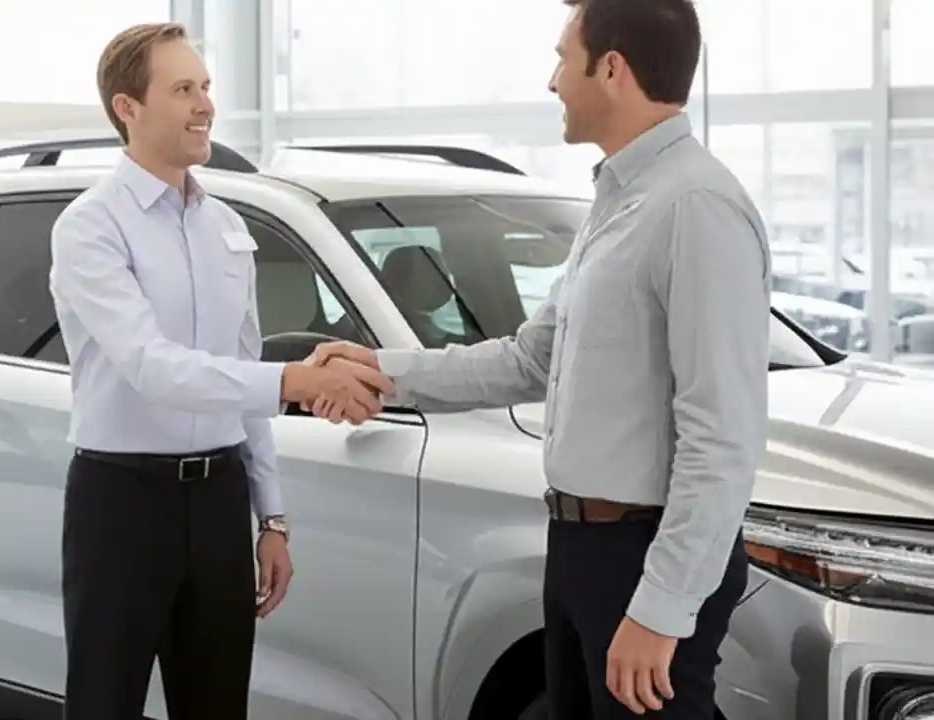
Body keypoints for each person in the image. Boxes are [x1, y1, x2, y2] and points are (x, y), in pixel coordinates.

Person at [305, 0, 770, 717]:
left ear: (610, 68)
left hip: (641, 556)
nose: (553, 81)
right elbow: (529, 358)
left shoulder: (695, 205)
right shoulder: (621, 201)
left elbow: (723, 434)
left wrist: (662, 607)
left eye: (562, 58)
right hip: (582, 549)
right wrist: (381, 370)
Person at [48, 22, 395, 720]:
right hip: (121, 504)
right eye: (183, 89)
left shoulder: (227, 227)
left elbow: (239, 374)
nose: (206, 104)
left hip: (217, 502)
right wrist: (294, 382)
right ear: (128, 107)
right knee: (103, 703)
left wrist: (272, 518)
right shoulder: (90, 227)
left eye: (205, 86)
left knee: (216, 706)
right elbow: (154, 367)